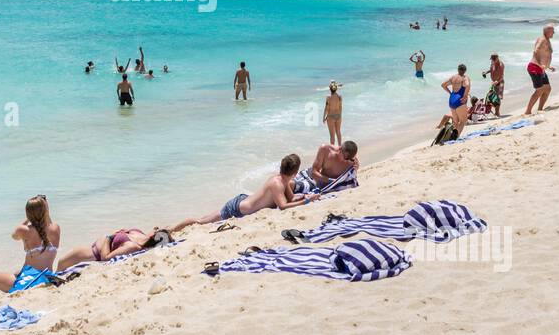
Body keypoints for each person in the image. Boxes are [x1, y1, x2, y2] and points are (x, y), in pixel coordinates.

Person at [169, 155, 313, 230]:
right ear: (295, 173)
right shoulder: (277, 183)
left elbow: (291, 198)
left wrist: (306, 196)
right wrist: (306, 202)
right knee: (201, 222)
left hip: (244, 201)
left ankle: (171, 228)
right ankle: (171, 229)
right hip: (237, 208)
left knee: (205, 218)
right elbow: (283, 206)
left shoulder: (283, 180)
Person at [0, 195, 60, 296]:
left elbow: (14, 236)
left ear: (28, 213)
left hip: (31, 280)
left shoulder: (23, 230)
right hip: (47, 276)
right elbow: (47, 223)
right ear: (46, 210)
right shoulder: (55, 228)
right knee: (17, 272)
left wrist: (29, 218)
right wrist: (44, 209)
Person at [56, 227, 169, 271]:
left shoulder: (133, 246)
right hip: (91, 247)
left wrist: (108, 238)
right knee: (60, 265)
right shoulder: (142, 235)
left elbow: (106, 258)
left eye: (157, 230)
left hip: (91, 253)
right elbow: (173, 228)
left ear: (154, 237)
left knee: (60, 264)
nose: (156, 228)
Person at [525, 24, 556, 115]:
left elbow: (544, 54)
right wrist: (540, 64)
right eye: (552, 31)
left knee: (547, 88)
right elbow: (536, 51)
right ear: (547, 31)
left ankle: (540, 109)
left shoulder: (546, 40)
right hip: (534, 67)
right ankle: (528, 111)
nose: (554, 33)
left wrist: (548, 66)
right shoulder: (542, 40)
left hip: (540, 68)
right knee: (540, 89)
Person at [442, 64, 471, 133]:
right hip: (459, 100)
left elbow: (443, 85)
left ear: (458, 69)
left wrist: (450, 93)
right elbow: (467, 85)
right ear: (465, 71)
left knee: (455, 121)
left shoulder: (453, 77)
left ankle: (452, 136)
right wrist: (465, 95)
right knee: (463, 121)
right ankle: (456, 137)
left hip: (452, 99)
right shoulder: (465, 78)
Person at [323, 81, 343, 145]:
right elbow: (340, 107)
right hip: (338, 116)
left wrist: (324, 117)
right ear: (336, 89)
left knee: (332, 135)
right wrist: (340, 116)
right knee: (338, 132)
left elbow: (326, 108)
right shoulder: (339, 97)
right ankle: (340, 147)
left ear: (330, 89)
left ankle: (333, 149)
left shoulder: (328, 97)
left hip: (331, 117)